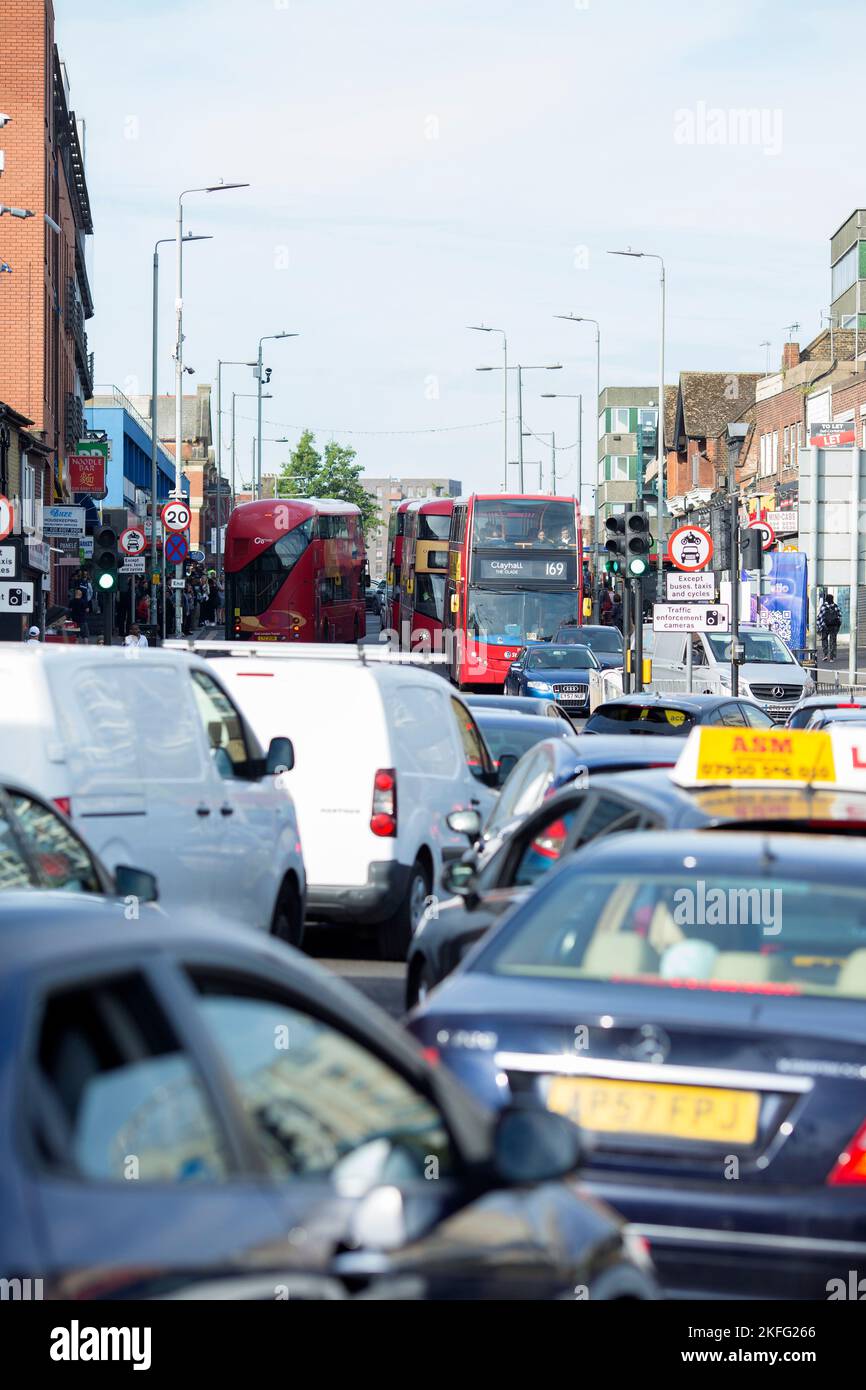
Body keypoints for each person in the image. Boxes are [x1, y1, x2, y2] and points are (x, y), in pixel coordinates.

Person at [817, 591, 842, 661]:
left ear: (826, 599)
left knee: (824, 640)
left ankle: (825, 655)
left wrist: (819, 627)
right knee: (833, 641)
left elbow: (820, 617)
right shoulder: (836, 606)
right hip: (834, 627)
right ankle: (832, 657)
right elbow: (840, 616)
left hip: (825, 626)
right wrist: (838, 626)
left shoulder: (823, 606)